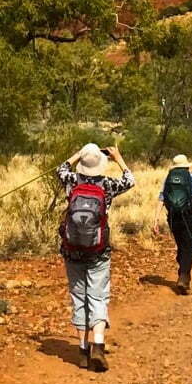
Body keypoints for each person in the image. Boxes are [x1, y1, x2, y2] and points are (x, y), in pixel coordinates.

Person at [57, 142, 134, 371]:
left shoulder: (71, 181)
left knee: (79, 298)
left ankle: (82, 352)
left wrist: (77, 155)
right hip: (98, 251)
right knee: (98, 297)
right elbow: (130, 180)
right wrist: (118, 157)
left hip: (72, 251)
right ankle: (98, 346)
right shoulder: (108, 185)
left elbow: (60, 169)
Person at [160, 153, 192, 294]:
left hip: (172, 217)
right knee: (189, 245)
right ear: (186, 165)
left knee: (181, 245)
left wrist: (156, 218)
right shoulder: (191, 176)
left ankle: (183, 273)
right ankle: (183, 276)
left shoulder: (168, 177)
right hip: (188, 216)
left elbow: (162, 197)